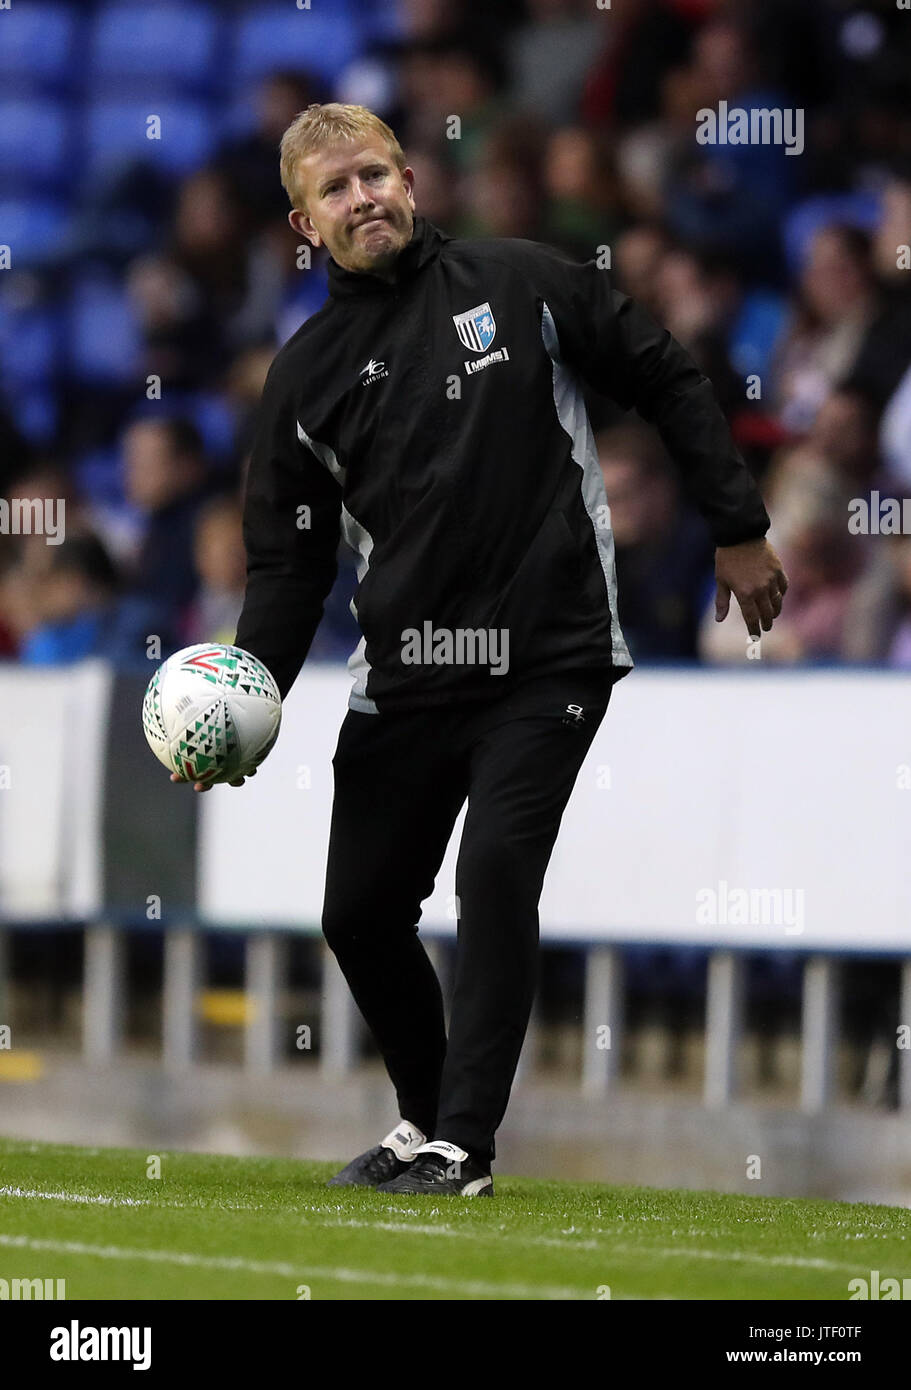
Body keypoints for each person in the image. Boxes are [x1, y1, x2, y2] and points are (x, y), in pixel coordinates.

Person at [172, 102, 787, 1197]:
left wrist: (735, 526)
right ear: (302, 224)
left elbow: (665, 373)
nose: (361, 198)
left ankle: (464, 1142)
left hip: (546, 657)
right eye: (335, 189)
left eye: (374, 174)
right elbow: (287, 567)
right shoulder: (303, 375)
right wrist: (245, 698)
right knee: (356, 913)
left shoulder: (521, 283)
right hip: (403, 677)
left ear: (410, 179)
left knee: (494, 873)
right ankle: (422, 1121)